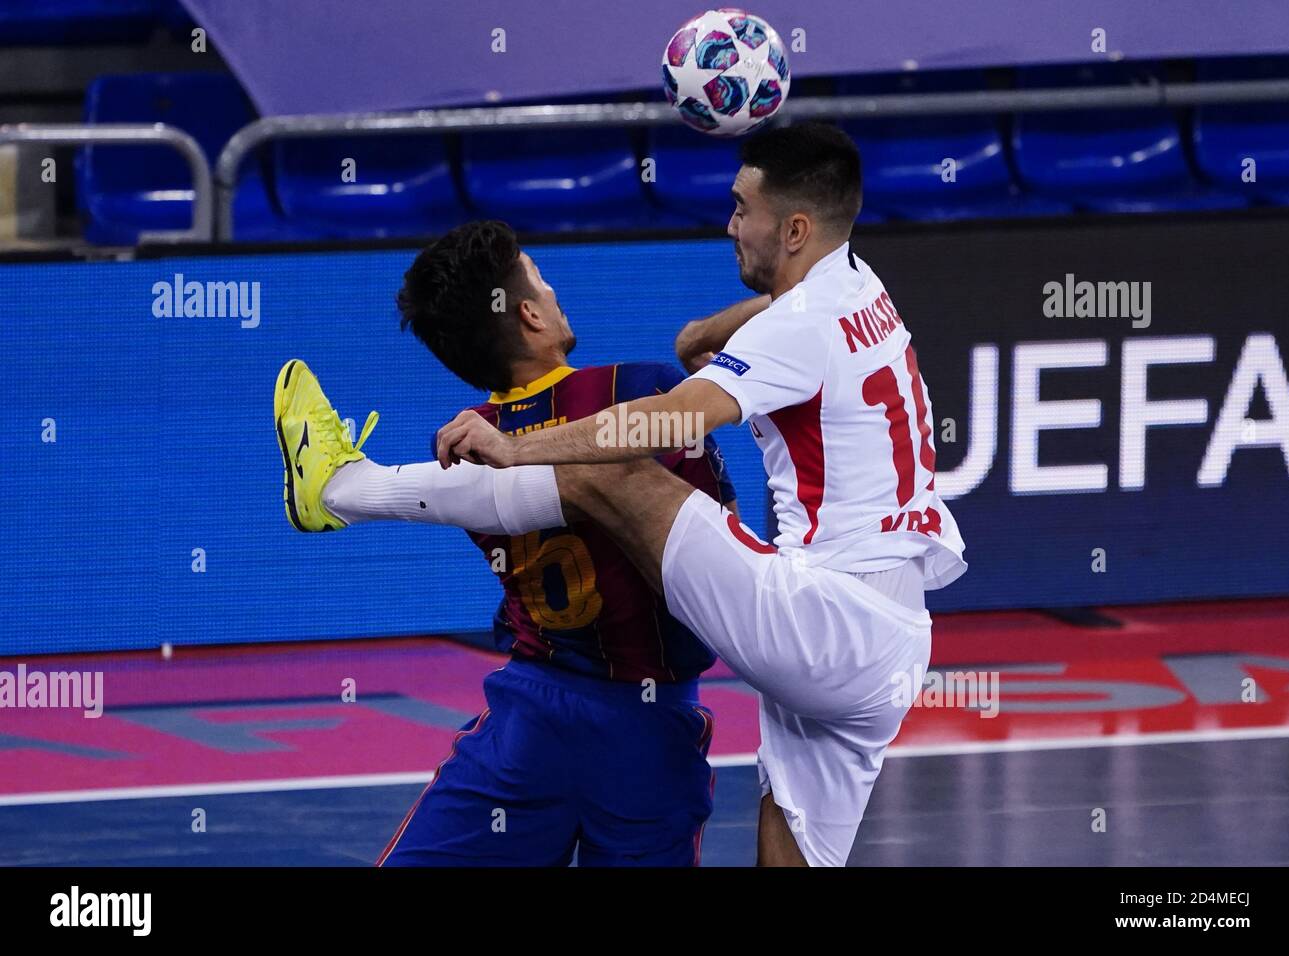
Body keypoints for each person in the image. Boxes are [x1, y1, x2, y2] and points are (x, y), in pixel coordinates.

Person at [280, 122, 966, 866]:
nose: (730, 223)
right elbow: (766, 324)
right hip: (891, 642)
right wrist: (705, 334)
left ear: (795, 229)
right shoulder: (859, 283)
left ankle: (346, 487)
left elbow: (667, 420)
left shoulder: (779, 335)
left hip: (817, 621)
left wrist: (517, 447)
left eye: (743, 208)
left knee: (618, 466)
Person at [279, 221, 741, 866]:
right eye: (543, 283)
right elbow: (720, 547)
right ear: (529, 315)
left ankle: (343, 490)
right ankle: (343, 491)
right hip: (649, 730)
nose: (553, 294)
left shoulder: (464, 443)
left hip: (529, 724)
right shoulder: (641, 390)